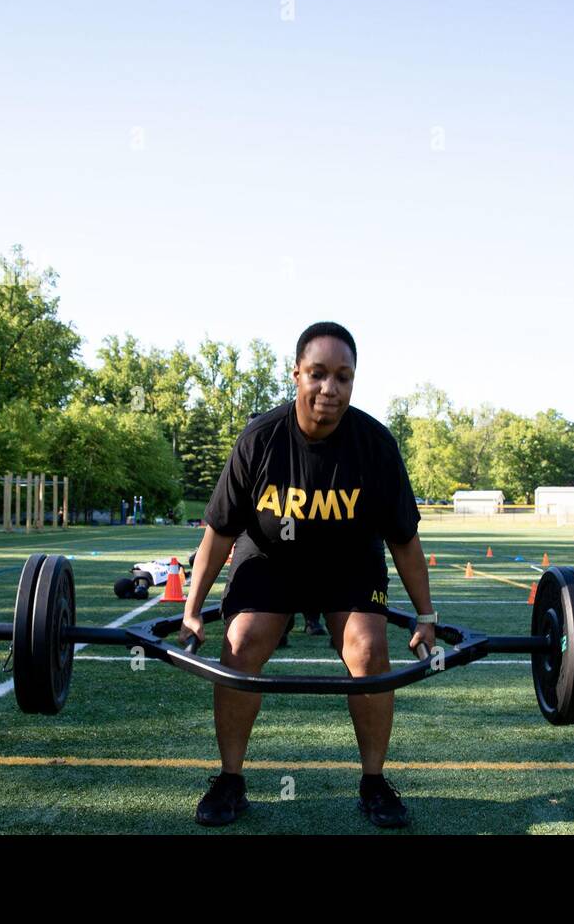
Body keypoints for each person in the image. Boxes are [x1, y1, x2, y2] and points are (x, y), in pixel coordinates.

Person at [180, 322, 436, 829]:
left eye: (343, 377)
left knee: (368, 649)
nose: (330, 388)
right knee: (243, 641)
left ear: (353, 382)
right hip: (271, 558)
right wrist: (190, 610)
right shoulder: (259, 439)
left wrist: (426, 615)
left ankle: (374, 782)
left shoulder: (375, 445)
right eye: (318, 374)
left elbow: (404, 540)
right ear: (296, 374)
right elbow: (219, 533)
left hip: (348, 562)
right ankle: (230, 780)